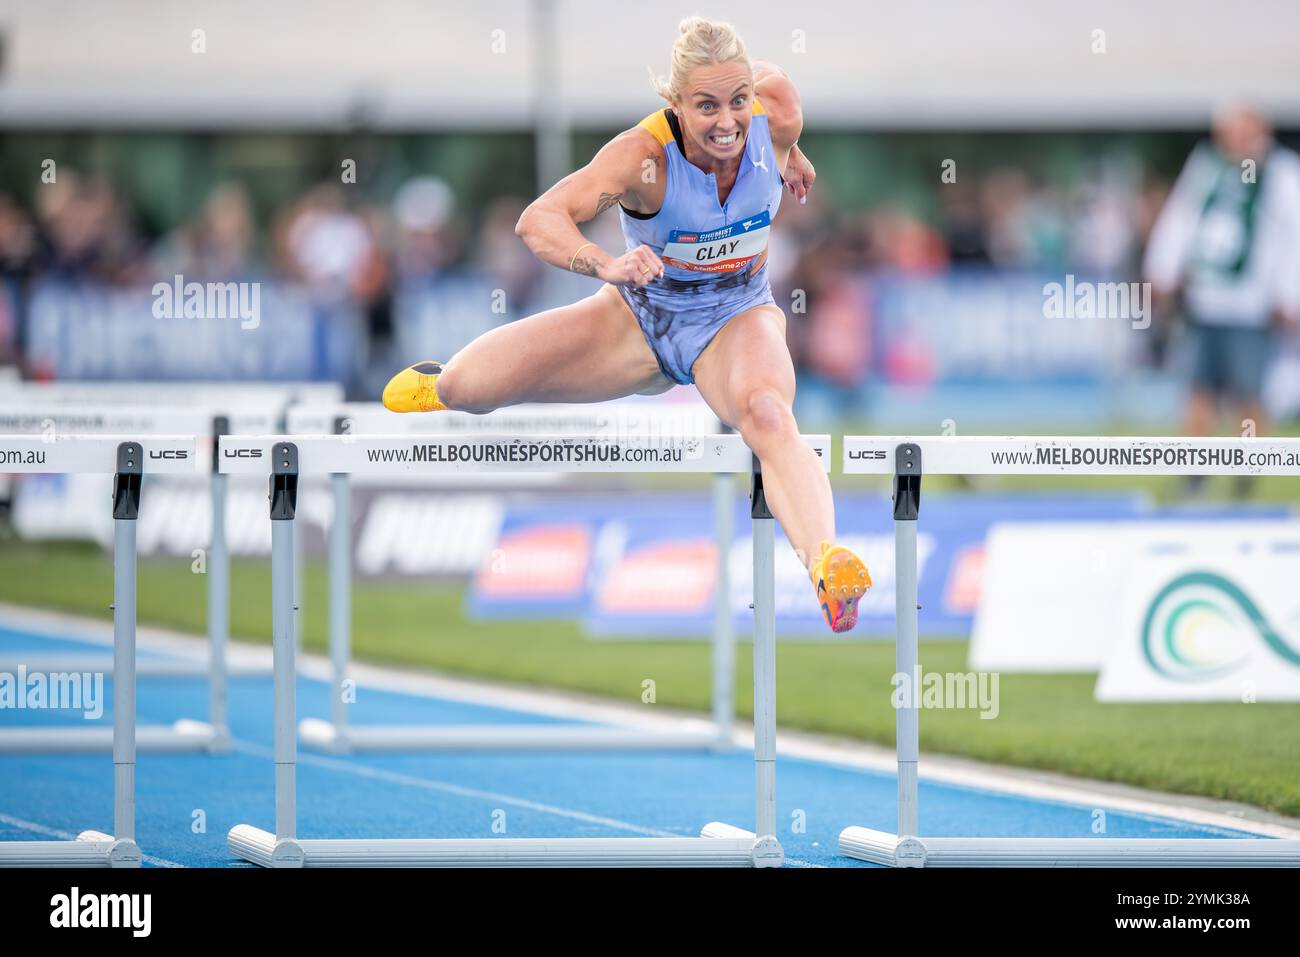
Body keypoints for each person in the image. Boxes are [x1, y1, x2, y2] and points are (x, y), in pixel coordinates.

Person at [382, 16, 871, 632]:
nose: (727, 122)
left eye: (739, 101)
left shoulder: (778, 110)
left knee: (768, 414)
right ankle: (441, 381)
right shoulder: (641, 158)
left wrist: (790, 152)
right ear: (674, 103)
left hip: (735, 316)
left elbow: (766, 109)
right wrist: (605, 263)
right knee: (464, 388)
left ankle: (827, 564)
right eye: (706, 106)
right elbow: (540, 219)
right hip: (638, 318)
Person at [1144, 103, 1300, 496]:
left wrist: (1290, 293)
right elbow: (1182, 219)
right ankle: (1195, 473)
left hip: (1252, 306)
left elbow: (1294, 238)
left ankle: (1246, 476)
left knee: (1249, 394)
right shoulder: (1207, 166)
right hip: (1205, 301)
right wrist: (1162, 269)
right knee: (1199, 389)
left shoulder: (1282, 174)